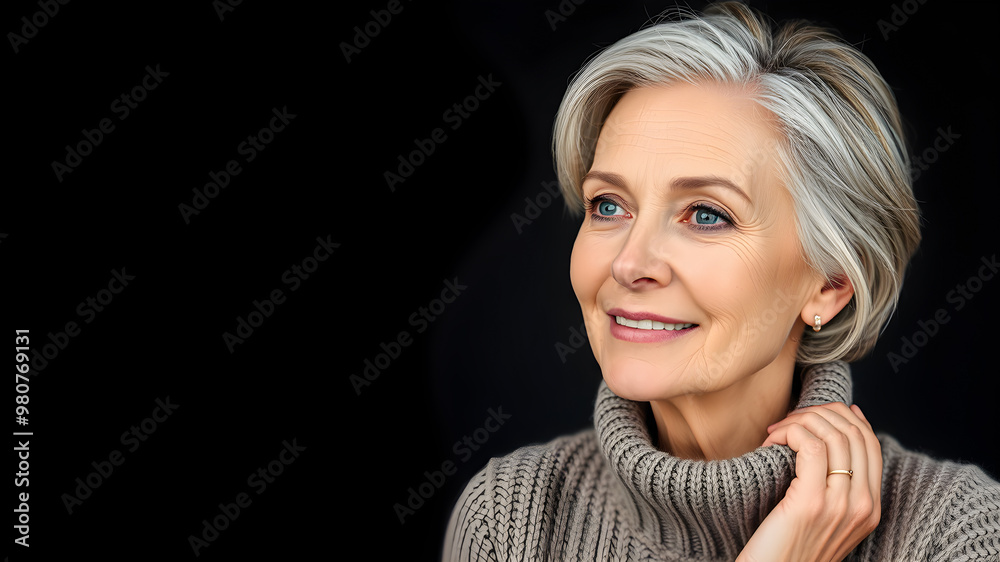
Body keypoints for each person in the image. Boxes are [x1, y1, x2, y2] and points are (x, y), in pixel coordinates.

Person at [441, 2, 1000, 560]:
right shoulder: (510, 518)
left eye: (707, 214)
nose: (629, 264)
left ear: (829, 282)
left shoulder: (953, 531)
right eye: (608, 205)